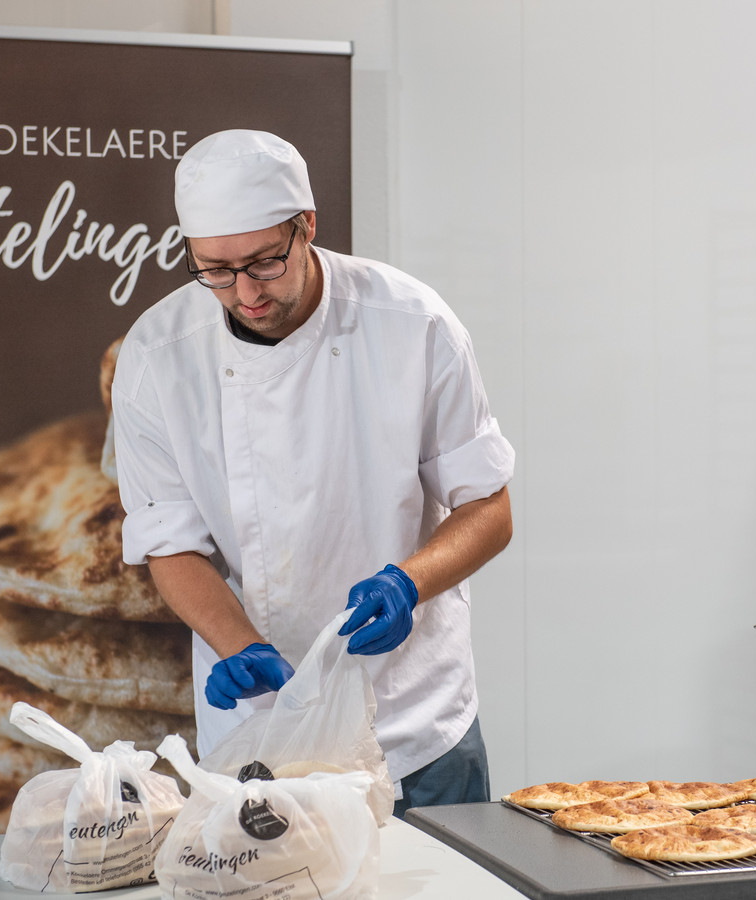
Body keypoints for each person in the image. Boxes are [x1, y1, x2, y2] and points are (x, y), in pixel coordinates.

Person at [109, 129, 514, 815]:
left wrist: (407, 583)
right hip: (260, 727)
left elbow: (490, 510)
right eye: (214, 269)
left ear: (307, 228)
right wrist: (237, 646)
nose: (244, 292)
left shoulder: (412, 324)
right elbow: (168, 542)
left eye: (265, 263)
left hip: (413, 718)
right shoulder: (157, 355)